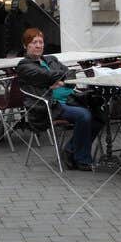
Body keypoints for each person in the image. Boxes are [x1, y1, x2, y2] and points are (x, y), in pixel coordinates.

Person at [13, 27, 96, 171]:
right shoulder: (24, 66)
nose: (38, 45)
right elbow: (46, 75)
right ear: (25, 46)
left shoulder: (51, 60)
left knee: (99, 113)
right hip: (47, 107)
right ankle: (82, 159)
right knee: (84, 115)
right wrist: (57, 78)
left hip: (70, 100)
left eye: (40, 42)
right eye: (34, 42)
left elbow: (71, 74)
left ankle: (70, 150)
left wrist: (59, 81)